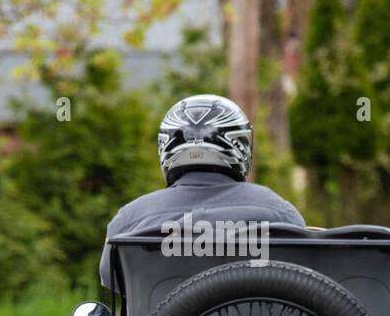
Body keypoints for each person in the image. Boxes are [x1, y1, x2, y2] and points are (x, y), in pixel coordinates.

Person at [99, 94, 305, 287]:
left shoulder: (131, 219)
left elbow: (112, 281)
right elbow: (307, 275)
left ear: (165, 146)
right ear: (241, 144)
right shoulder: (280, 213)